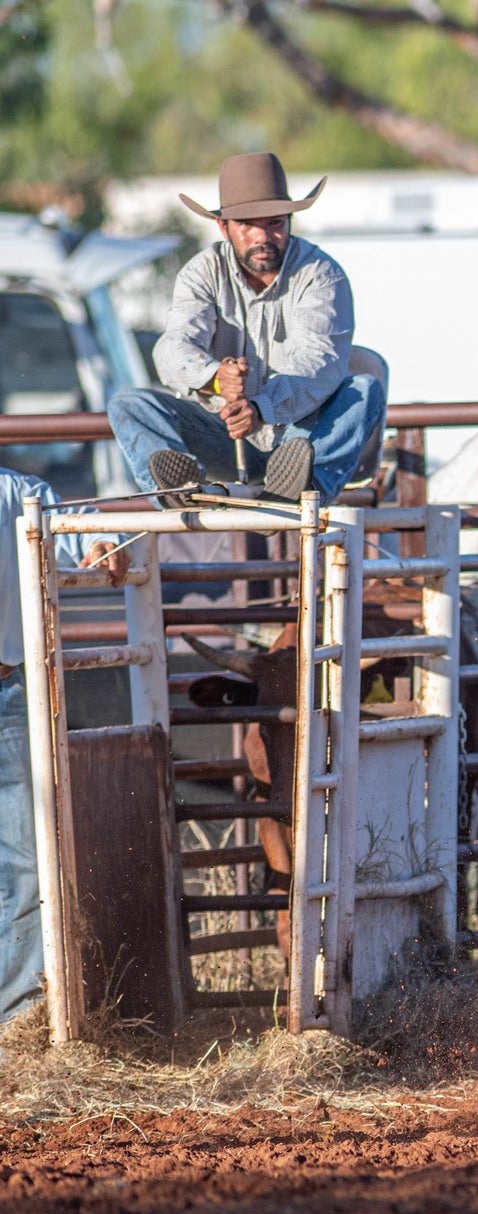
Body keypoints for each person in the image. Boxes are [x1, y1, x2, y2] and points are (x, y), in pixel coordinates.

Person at [108, 153, 384, 507]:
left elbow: (319, 362)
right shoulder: (202, 272)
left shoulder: (321, 274)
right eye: (247, 225)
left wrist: (261, 407)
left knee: (363, 389)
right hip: (225, 432)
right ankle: (179, 493)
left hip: (303, 437)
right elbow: (173, 346)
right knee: (128, 405)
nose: (262, 236)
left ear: (290, 221)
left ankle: (305, 487)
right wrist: (214, 379)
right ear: (224, 228)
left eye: (274, 223)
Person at [0, 475, 124, 1026]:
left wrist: (100, 542)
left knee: (28, 861)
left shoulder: (11, 492)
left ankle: (17, 1020)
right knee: (26, 860)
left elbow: (79, 522)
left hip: (7, 687)